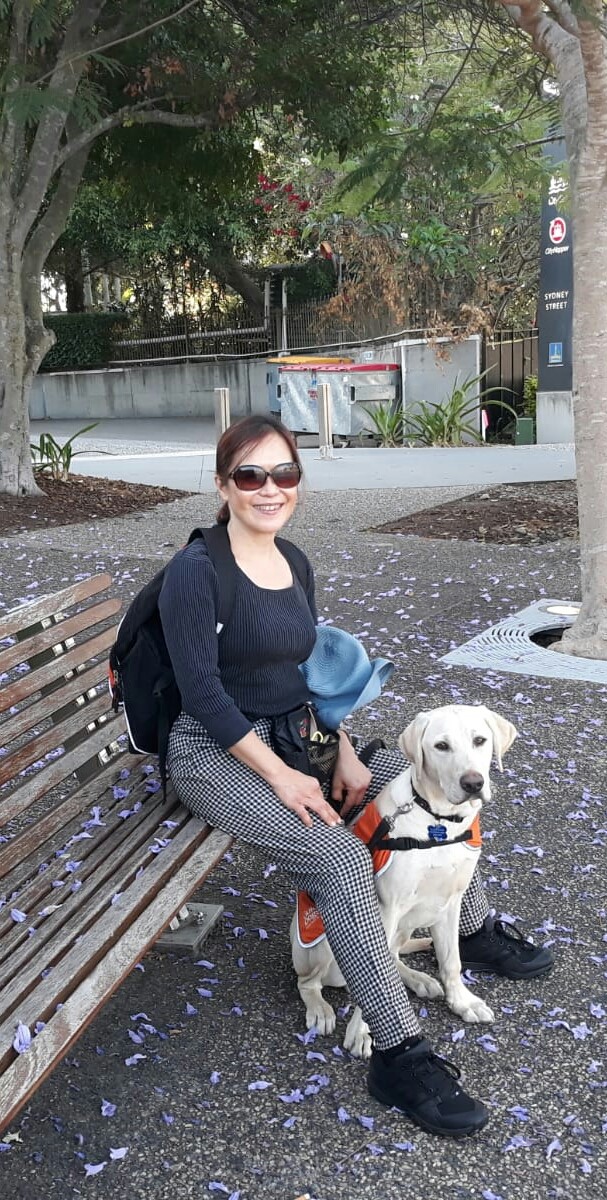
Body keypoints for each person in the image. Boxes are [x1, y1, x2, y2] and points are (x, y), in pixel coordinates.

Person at [159, 414, 552, 1139]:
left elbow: (304, 673)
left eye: (283, 473)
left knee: (412, 783)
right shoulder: (196, 571)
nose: (269, 488)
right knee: (339, 856)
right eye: (250, 475)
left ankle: (469, 927)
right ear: (222, 485)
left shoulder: (293, 561)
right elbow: (204, 695)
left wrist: (339, 745)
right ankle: (399, 1055)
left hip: (294, 736)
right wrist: (284, 778)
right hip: (212, 751)